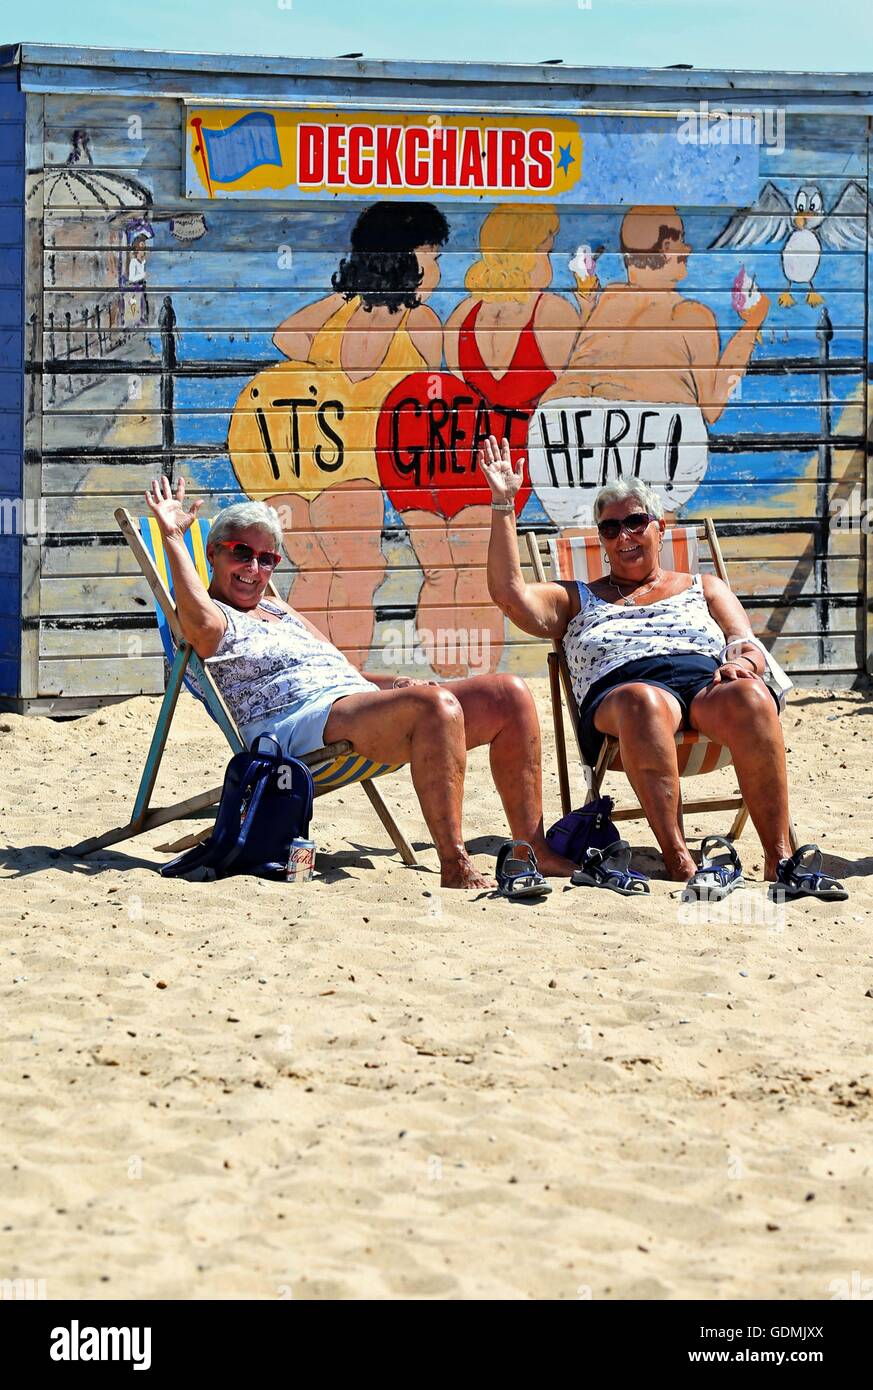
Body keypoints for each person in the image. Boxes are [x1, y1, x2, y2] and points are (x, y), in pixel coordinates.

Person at [144, 477, 576, 890]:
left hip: (350, 704)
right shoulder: (214, 619)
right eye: (241, 553)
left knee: (509, 694)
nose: (254, 569)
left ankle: (532, 847)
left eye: (267, 559)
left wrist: (392, 684)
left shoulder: (278, 609)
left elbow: (337, 666)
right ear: (214, 554)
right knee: (434, 708)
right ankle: (454, 861)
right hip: (296, 726)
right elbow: (198, 620)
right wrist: (172, 538)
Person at [481, 436, 798, 884]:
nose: (624, 536)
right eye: (610, 529)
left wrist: (744, 665)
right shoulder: (577, 597)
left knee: (749, 695)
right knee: (644, 702)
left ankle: (780, 858)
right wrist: (502, 505)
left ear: (660, 527)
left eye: (634, 522)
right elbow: (510, 596)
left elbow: (743, 640)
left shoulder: (702, 586)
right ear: (602, 540)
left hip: (705, 686)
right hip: (623, 698)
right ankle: (679, 858)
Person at [527, 205, 770, 529]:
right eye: (681, 241)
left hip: (557, 427)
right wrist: (751, 325)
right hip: (652, 420)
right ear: (666, 250)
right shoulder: (692, 316)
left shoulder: (608, 299)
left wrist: (587, 293)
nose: (688, 250)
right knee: (653, 529)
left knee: (582, 536)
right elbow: (712, 407)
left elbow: (596, 357)